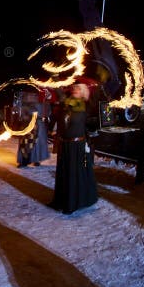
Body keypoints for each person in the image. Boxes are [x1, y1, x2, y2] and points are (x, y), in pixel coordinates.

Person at [48, 82, 98, 214]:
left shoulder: (86, 106)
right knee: (64, 174)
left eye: (79, 88)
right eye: (75, 87)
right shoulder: (67, 104)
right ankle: (60, 201)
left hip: (77, 146)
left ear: (84, 93)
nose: (76, 89)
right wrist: (54, 77)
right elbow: (58, 91)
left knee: (73, 174)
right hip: (65, 145)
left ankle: (72, 204)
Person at [16, 92, 50, 167]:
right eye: (29, 95)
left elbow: (47, 113)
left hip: (38, 126)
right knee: (25, 144)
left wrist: (47, 102)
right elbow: (22, 115)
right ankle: (24, 161)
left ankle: (36, 159)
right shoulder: (24, 106)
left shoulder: (41, 105)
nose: (31, 97)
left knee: (37, 144)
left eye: (33, 96)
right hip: (27, 127)